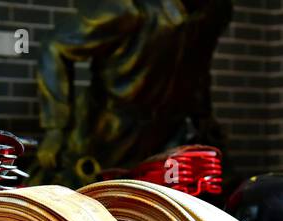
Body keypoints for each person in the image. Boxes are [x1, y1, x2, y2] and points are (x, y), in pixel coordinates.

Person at [32, 0, 232, 187]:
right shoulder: (128, 8)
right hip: (110, 131)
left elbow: (197, 68)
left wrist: (204, 116)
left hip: (169, 130)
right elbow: (55, 47)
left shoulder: (214, 11)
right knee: (85, 201)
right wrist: (55, 128)